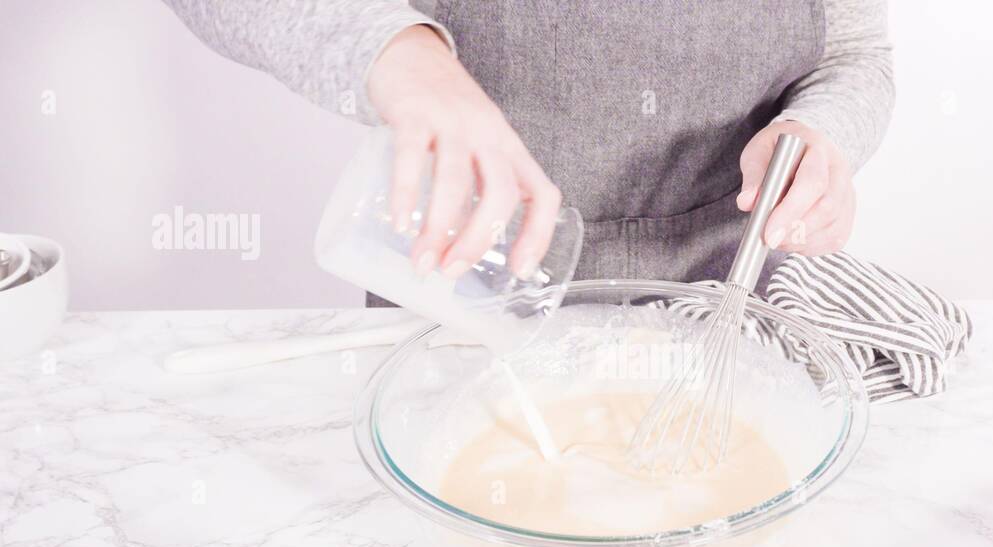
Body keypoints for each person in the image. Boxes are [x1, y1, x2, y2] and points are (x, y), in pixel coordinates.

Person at [164, 1, 893, 304]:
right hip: (463, 297)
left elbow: (855, 51)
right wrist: (398, 53)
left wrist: (824, 134)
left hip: (729, 308)